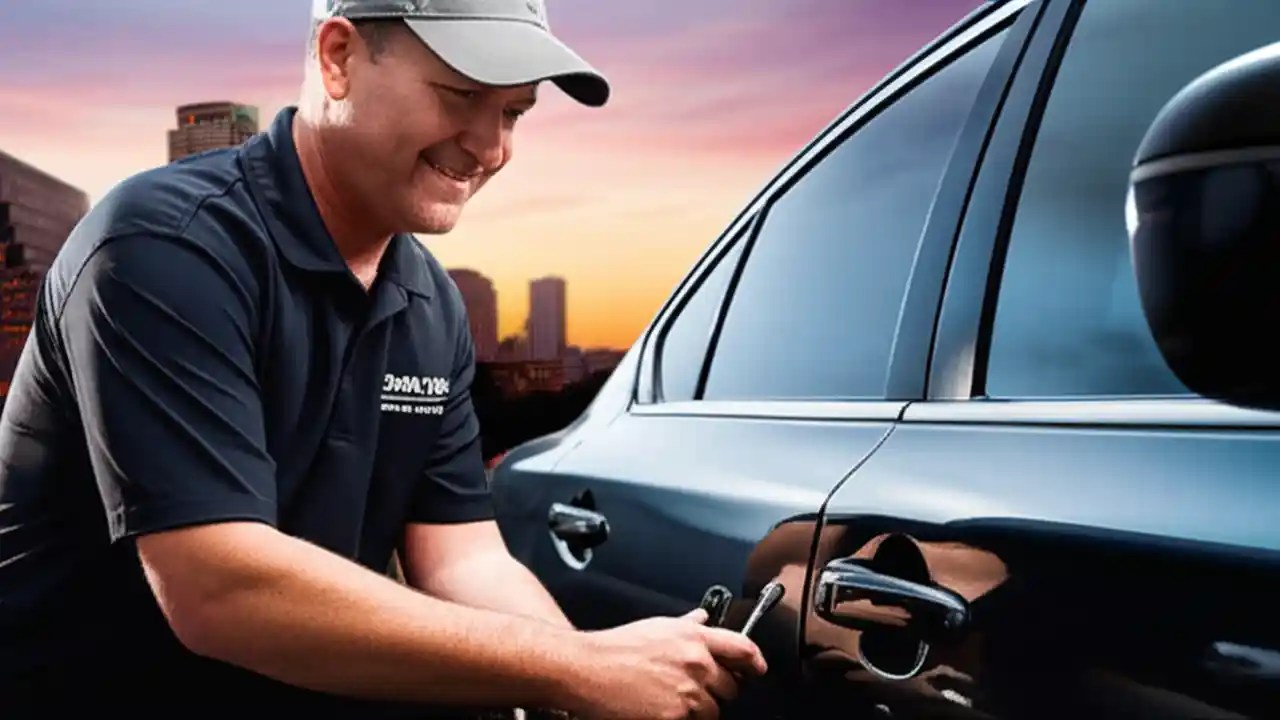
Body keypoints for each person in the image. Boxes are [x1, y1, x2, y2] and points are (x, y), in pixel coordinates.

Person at [0, 0, 766, 717]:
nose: (491, 148)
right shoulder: (163, 247)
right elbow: (218, 587)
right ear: (338, 57)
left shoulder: (429, 302)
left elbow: (462, 560)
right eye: (462, 94)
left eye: (513, 112)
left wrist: (592, 679)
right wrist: (578, 668)